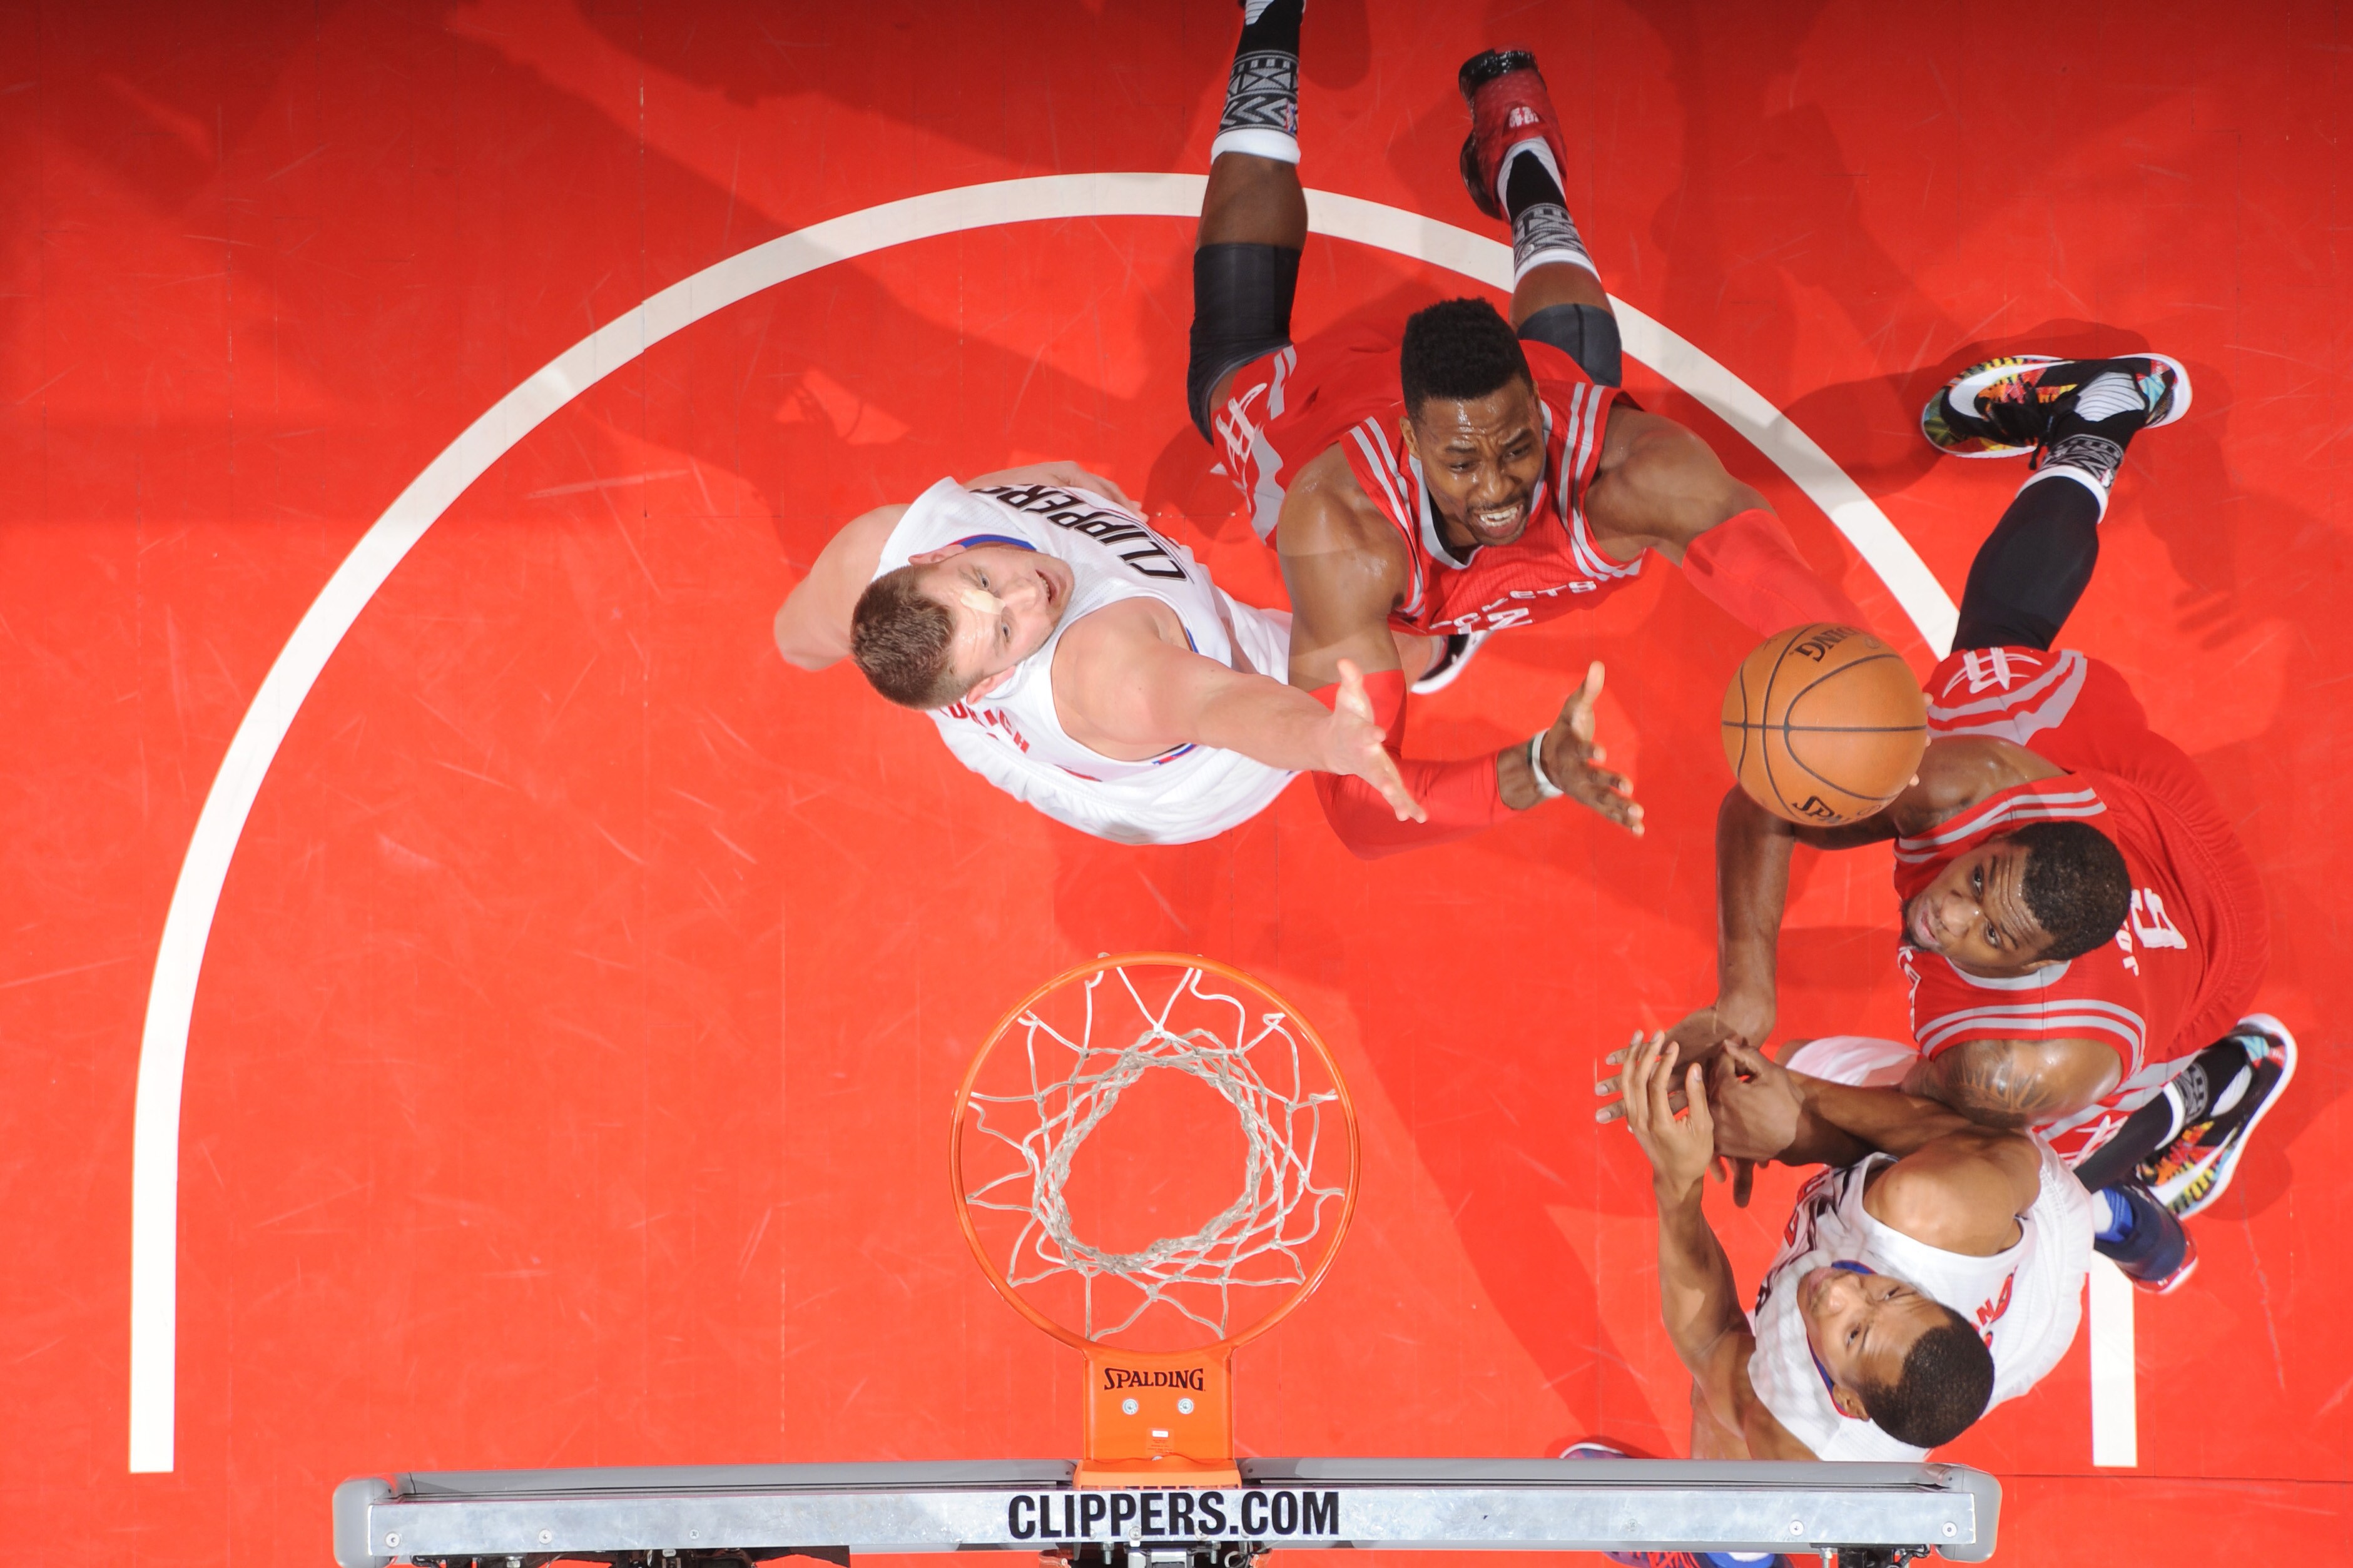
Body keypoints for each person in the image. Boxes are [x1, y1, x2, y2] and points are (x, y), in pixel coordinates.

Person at [1598, 352, 2294, 1254]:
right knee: (1989, 663)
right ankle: (2094, 420)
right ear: (2007, 830)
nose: (1945, 908)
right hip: (2141, 805)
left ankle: (2212, 1084)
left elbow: (1950, 1142)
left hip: (2206, 955)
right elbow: (1760, 802)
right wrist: (1745, 1003)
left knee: (2048, 1175)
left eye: (1989, 936)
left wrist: (1788, 1123)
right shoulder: (1973, 786)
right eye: (1976, 879)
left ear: (2033, 958)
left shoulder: (2021, 1061)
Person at [1187, 3, 1871, 857]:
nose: (1499, 486)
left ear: (1537, 415)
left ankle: (1523, 159)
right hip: (1317, 411)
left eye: (1518, 447)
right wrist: (1534, 770)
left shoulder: (1623, 469)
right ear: (1409, 441)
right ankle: (1272, 19)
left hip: (1491, 403)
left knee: (1576, 358)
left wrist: (1873, 697)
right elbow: (1365, 811)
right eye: (1464, 462)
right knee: (1227, 360)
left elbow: (1775, 578)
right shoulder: (1341, 533)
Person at [772, 460, 1465, 846]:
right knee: (1334, 647)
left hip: (1011, 723)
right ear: (989, 683)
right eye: (1007, 633)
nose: (1028, 593)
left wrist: (1043, 485)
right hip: (1197, 776)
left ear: (930, 555)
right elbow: (1218, 703)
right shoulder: (1109, 670)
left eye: (982, 580)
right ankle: (1443, 651)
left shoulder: (876, 550)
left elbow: (793, 643)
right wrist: (1325, 737)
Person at [1614, 1031, 2091, 1462]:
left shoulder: (1802, 1435)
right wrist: (1788, 1098)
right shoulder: (1927, 1210)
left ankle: (1730, 1558)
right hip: (2025, 1207)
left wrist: (1677, 1181)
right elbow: (2001, 1143)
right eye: (1891, 1293)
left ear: (1846, 1399)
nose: (1843, 1290)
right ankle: (2116, 1215)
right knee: (1804, 1058)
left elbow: (1710, 1339)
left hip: (2005, 1341)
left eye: (1853, 1333)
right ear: (1933, 1301)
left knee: (1715, 1402)